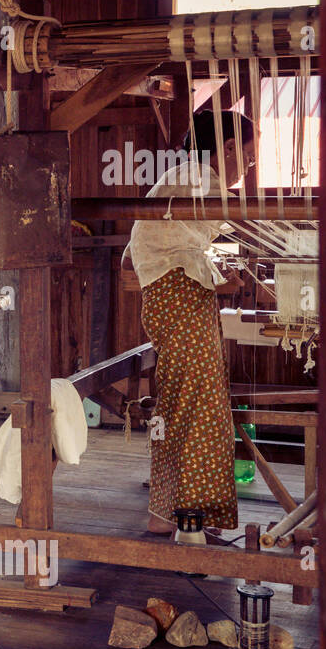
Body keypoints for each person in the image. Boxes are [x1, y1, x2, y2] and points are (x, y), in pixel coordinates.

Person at [121, 109, 256, 537]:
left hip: (175, 296)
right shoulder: (200, 178)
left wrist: (218, 283)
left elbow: (180, 253)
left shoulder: (187, 176)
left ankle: (177, 514)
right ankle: (184, 516)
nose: (247, 169)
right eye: (248, 159)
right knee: (195, 407)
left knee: (188, 403)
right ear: (228, 148)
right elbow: (234, 226)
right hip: (178, 299)